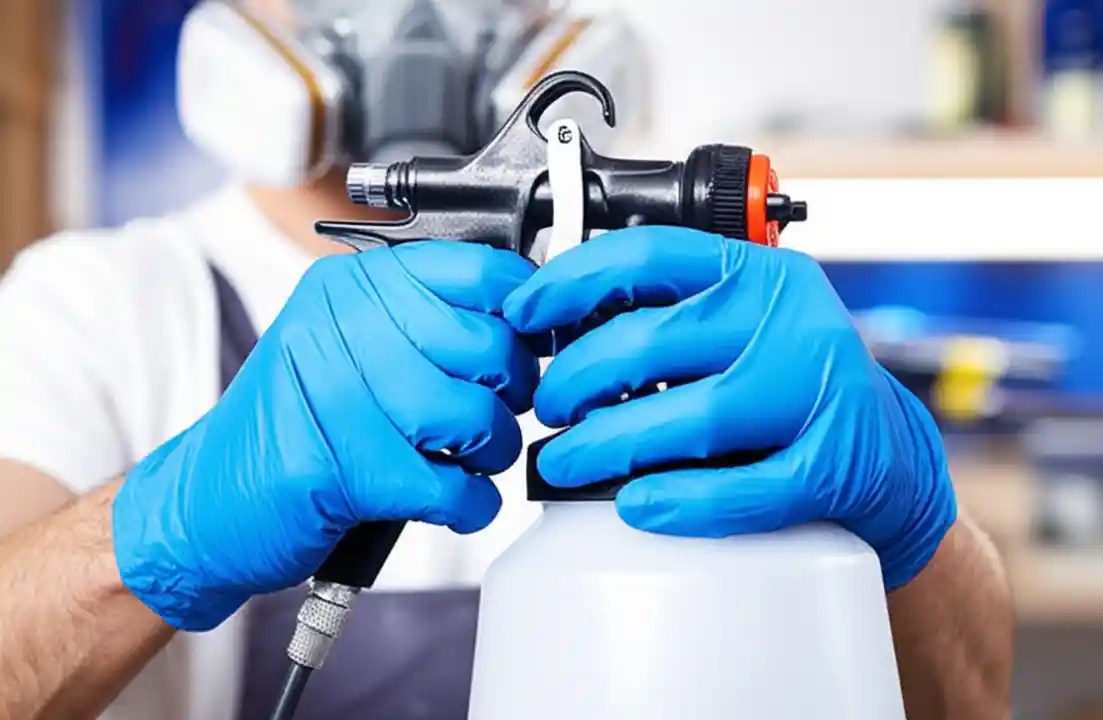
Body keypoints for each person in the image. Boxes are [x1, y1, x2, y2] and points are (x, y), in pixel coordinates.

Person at [0, 1, 1013, 718]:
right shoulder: (98, 306)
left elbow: (970, 703)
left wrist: (910, 519)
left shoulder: (685, 302)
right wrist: (152, 532)